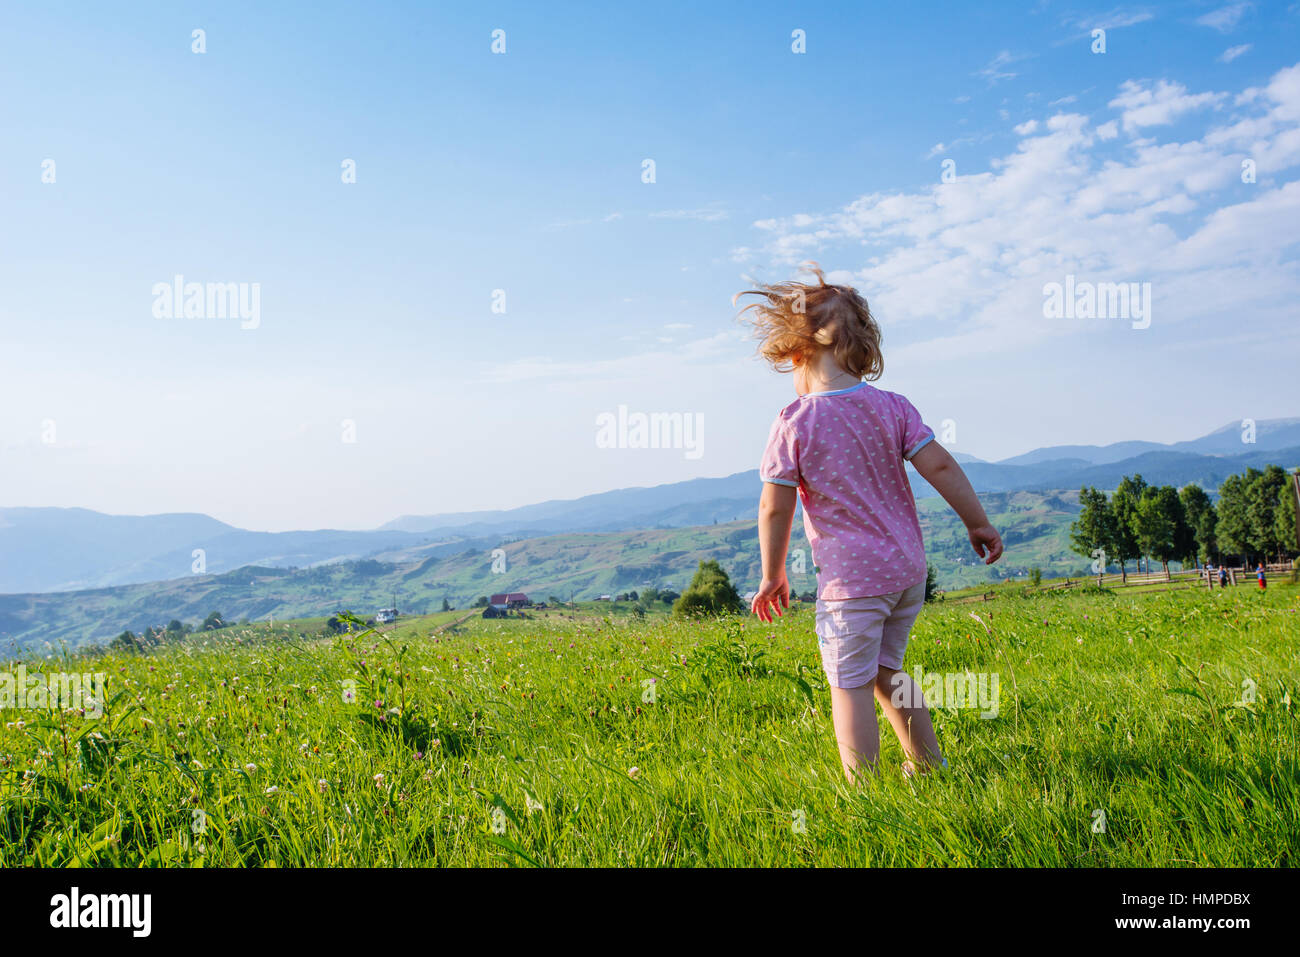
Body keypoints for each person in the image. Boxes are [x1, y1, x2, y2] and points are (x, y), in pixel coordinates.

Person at [740, 263, 1003, 784]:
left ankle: (865, 790)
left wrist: (773, 573)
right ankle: (929, 765)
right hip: (906, 572)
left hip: (852, 584)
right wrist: (978, 523)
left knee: (849, 683)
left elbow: (775, 507)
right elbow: (942, 467)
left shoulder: (794, 422)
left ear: (797, 351)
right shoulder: (893, 408)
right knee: (887, 671)